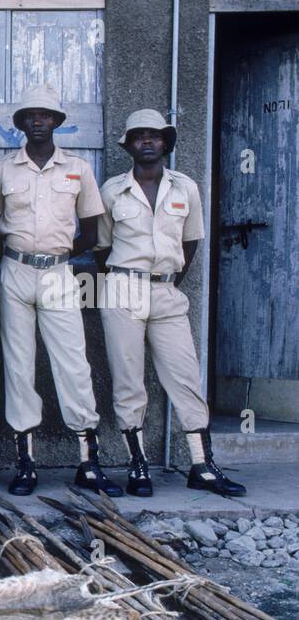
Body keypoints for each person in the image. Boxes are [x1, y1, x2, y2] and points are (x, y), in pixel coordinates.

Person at [95, 110, 245, 497]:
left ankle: (202, 464)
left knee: (184, 376)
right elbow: (102, 246)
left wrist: (166, 279)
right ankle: (137, 464)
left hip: (166, 291)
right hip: (123, 288)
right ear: (128, 145)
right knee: (128, 379)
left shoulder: (185, 189)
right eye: (139, 136)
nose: (147, 142)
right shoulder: (112, 190)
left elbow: (192, 241)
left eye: (155, 136)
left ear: (166, 143)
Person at [0, 84, 122, 497]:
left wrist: (63, 249)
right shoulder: (3, 170)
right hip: (14, 269)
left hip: (60, 274)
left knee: (73, 362)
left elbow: (97, 231)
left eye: (46, 115)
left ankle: (88, 460)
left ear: (57, 122)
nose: (38, 121)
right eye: (31, 115)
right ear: (22, 123)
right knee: (18, 364)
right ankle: (25, 461)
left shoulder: (77, 169)